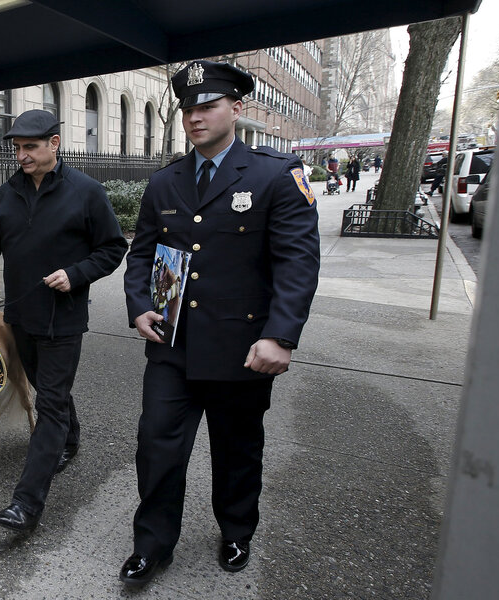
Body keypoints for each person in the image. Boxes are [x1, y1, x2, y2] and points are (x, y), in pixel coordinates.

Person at [120, 60, 320, 586]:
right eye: (188, 108)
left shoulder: (275, 173)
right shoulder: (166, 181)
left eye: (207, 106)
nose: (195, 116)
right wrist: (139, 303)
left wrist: (280, 335)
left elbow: (298, 262)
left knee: (236, 449)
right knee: (156, 447)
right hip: (172, 342)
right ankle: (152, 545)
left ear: (237, 108)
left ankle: (236, 531)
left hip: (242, 345)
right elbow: (142, 254)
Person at [0, 109, 128, 532]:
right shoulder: (8, 193)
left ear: (54, 144)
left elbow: (113, 248)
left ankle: (26, 504)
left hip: (64, 319)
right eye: (17, 148)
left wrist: (76, 274)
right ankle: (71, 441)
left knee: (50, 404)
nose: (21, 155)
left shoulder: (87, 192)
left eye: (30, 147)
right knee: (50, 390)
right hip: (20, 319)